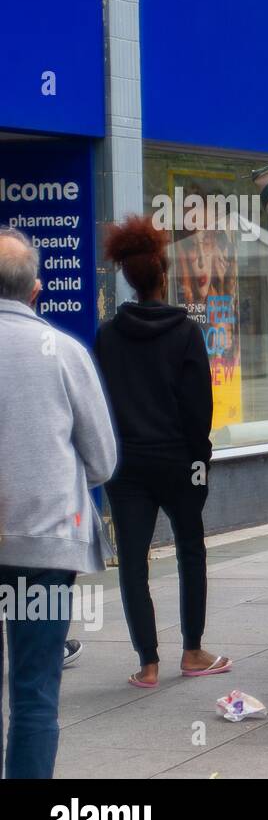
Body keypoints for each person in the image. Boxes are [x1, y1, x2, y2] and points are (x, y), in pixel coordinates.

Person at [0, 226, 117, 778]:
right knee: (34, 693)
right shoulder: (65, 353)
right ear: (36, 290)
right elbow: (103, 461)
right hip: (45, 549)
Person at [95, 216, 229, 688]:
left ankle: (147, 663)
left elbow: (102, 406)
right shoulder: (186, 333)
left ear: (128, 278)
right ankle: (193, 651)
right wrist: (200, 462)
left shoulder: (107, 337)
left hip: (127, 467)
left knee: (133, 562)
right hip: (179, 462)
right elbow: (199, 408)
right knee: (191, 549)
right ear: (163, 275)